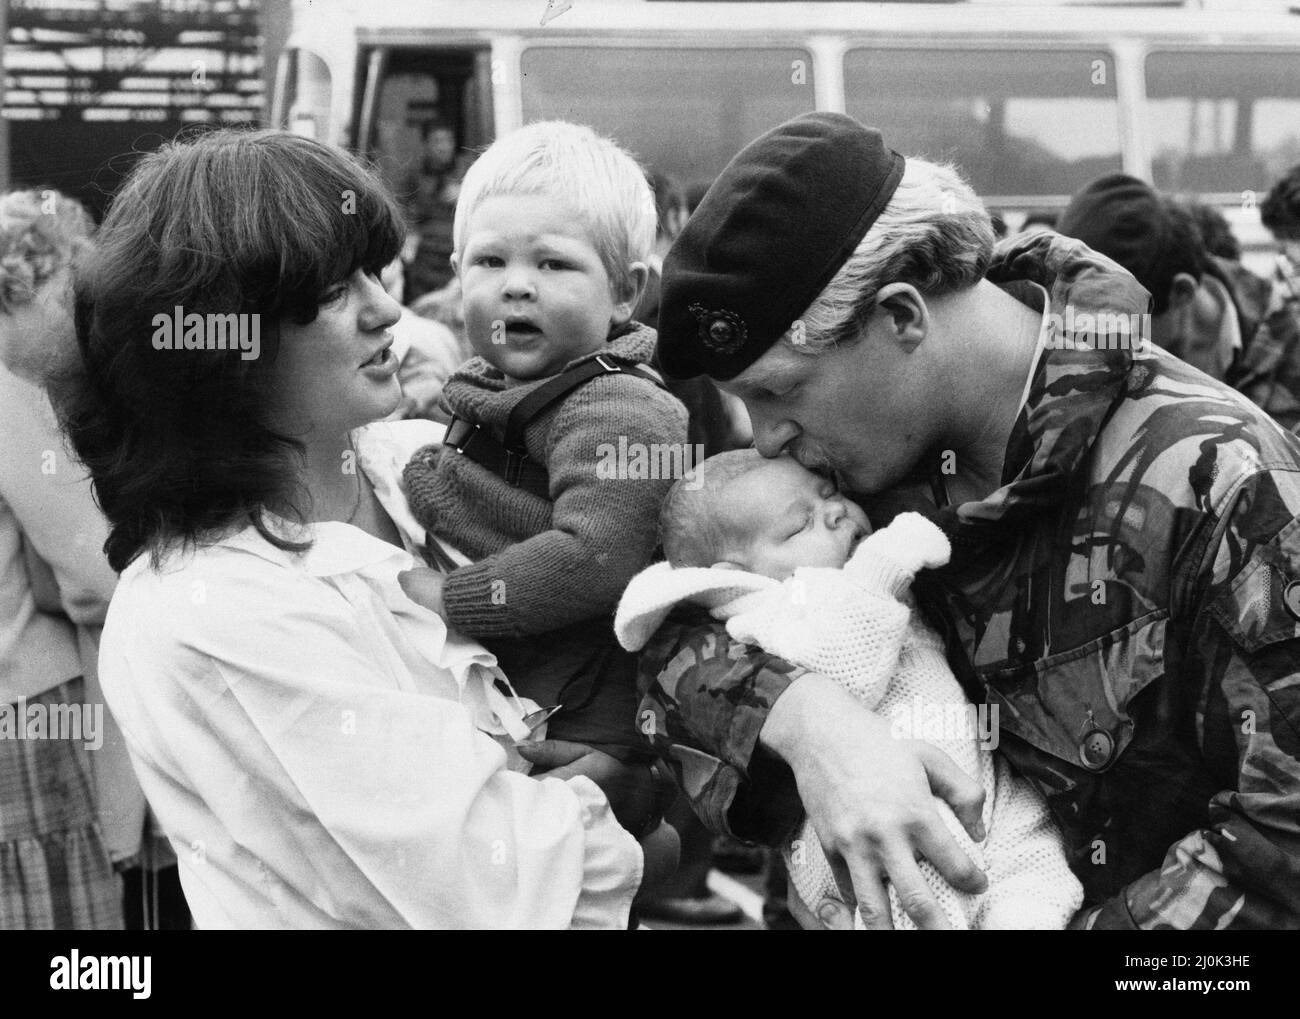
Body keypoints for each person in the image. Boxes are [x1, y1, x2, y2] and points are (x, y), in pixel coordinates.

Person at [602, 111, 1300, 930]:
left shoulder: (1220, 478)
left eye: (779, 390)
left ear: (901, 316)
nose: (766, 438)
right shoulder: (862, 462)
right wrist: (807, 724)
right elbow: (685, 615)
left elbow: (1281, 846)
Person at [59, 128, 671, 929]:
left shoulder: (427, 464)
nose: (388, 308)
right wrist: (634, 796)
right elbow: (497, 889)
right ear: (225, 336)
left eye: (373, 272)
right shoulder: (208, 607)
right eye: (331, 290)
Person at [616, 451, 1084, 929]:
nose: (837, 511)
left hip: (983, 796)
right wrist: (885, 565)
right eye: (800, 526)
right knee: (923, 903)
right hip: (889, 833)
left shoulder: (836, 576)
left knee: (1036, 874)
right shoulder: (773, 610)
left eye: (830, 493)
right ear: (735, 573)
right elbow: (848, 670)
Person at [398, 123, 689, 814]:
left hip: (587, 721)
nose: (517, 287)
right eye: (490, 262)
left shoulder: (620, 406)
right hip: (526, 700)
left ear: (625, 290)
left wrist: (451, 599)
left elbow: (595, 556)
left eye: (554, 265)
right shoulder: (491, 388)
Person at [0, 188, 124, 929]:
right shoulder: (11, 397)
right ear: (22, 287)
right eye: (67, 299)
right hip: (27, 703)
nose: (81, 327)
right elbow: (92, 575)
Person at [1056, 174, 1300, 430]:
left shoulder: (1287, 346)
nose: (1102, 348)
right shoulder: (1082, 355)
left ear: (1181, 293)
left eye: (1118, 329)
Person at [401, 119, 471, 303]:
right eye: (437, 141)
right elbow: (402, 208)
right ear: (426, 145)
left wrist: (465, 193)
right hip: (426, 253)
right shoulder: (414, 174)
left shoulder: (469, 170)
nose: (443, 147)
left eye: (448, 141)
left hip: (459, 248)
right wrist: (410, 235)